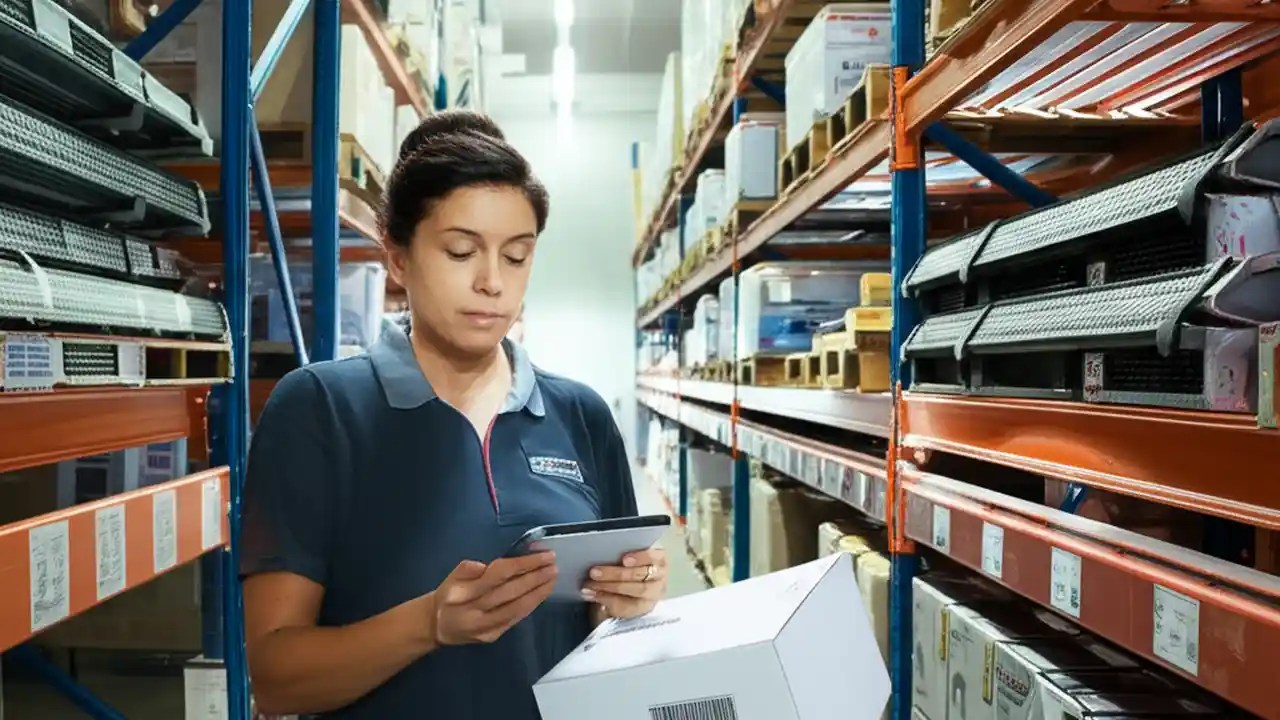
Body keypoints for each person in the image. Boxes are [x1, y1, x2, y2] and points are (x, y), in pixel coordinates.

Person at [238, 110, 669, 719]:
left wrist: (626, 600)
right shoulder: (320, 410)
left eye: (517, 257)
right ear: (397, 257)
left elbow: (600, 633)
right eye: (462, 251)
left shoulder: (580, 415)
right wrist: (428, 624)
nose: (493, 282)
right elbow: (278, 679)